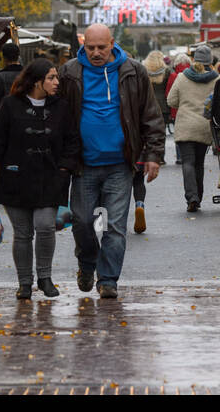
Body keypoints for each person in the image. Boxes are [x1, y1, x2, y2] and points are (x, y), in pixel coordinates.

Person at [58, 23, 165, 298]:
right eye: (90, 48)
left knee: (115, 226)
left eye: (101, 47)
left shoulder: (133, 71)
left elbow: (150, 115)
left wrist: (153, 155)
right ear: (83, 45)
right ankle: (87, 263)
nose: (95, 53)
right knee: (82, 221)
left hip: (120, 164)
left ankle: (108, 280)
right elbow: (57, 114)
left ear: (112, 43)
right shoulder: (70, 72)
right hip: (83, 164)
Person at [0, 58, 80, 299]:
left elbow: (72, 141)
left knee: (45, 226)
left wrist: (65, 169)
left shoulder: (61, 107)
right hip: (16, 179)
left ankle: (45, 277)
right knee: (22, 233)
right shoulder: (10, 105)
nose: (57, 82)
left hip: (50, 178)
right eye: (52, 78)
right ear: (37, 81)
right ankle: (24, 283)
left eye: (57, 77)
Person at [165, 45, 218, 211]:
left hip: (185, 126)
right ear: (210, 61)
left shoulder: (182, 77)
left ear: (194, 59)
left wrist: (185, 103)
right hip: (203, 125)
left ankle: (192, 198)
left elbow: (171, 101)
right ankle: (199, 197)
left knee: (188, 162)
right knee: (199, 163)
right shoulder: (215, 80)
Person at [0, 42, 22, 122]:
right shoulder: (27, 74)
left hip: (7, 118)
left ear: (4, 57)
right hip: (26, 118)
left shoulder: (0, 76)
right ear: (18, 56)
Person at [143, 50, 172, 134]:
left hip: (148, 105)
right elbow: (169, 89)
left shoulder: (143, 71)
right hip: (163, 106)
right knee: (162, 133)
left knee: (150, 132)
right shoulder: (167, 71)